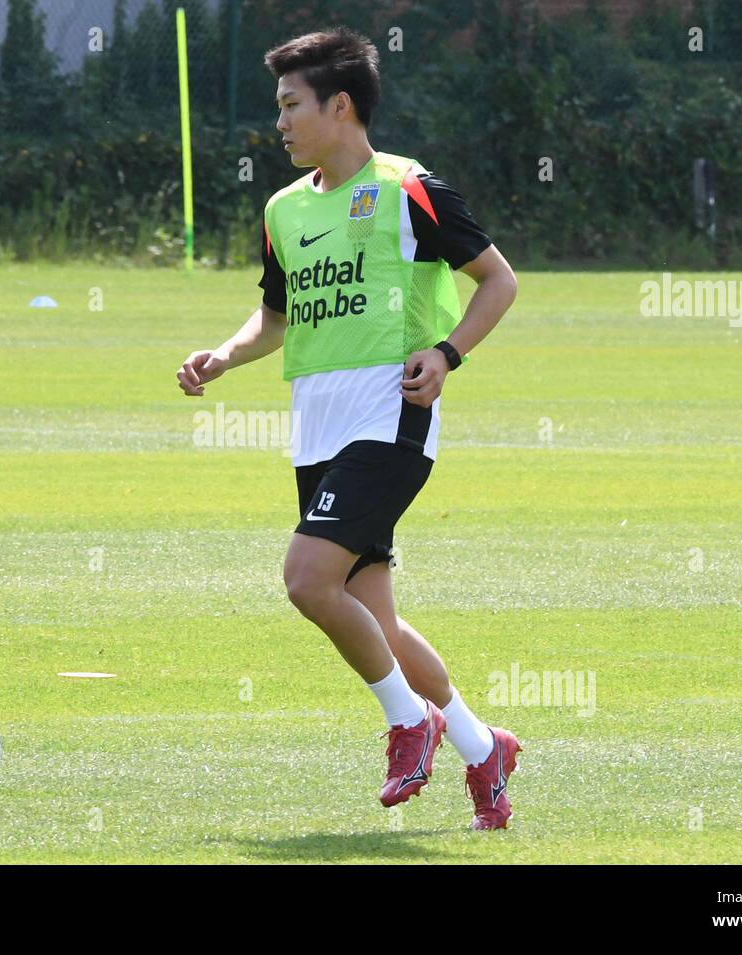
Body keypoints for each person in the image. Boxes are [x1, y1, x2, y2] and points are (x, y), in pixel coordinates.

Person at [176, 27, 522, 830]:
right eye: (278, 107)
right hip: (318, 430)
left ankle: (411, 723)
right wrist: (224, 357)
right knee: (377, 617)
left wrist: (447, 353)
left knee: (306, 580)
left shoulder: (411, 188)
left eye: (292, 105)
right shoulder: (284, 210)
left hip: (391, 417)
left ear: (340, 106)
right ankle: (483, 746)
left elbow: (499, 281)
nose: (282, 122)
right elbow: (273, 319)